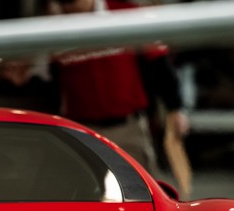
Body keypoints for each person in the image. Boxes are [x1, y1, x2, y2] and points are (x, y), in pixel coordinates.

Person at [11, 0, 190, 174]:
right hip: (81, 130)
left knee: (136, 188)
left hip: (127, 128)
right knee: (82, 189)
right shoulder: (54, 28)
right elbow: (40, 79)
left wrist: (175, 108)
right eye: (63, 3)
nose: (69, 7)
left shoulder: (125, 15)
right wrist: (19, 79)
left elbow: (158, 64)